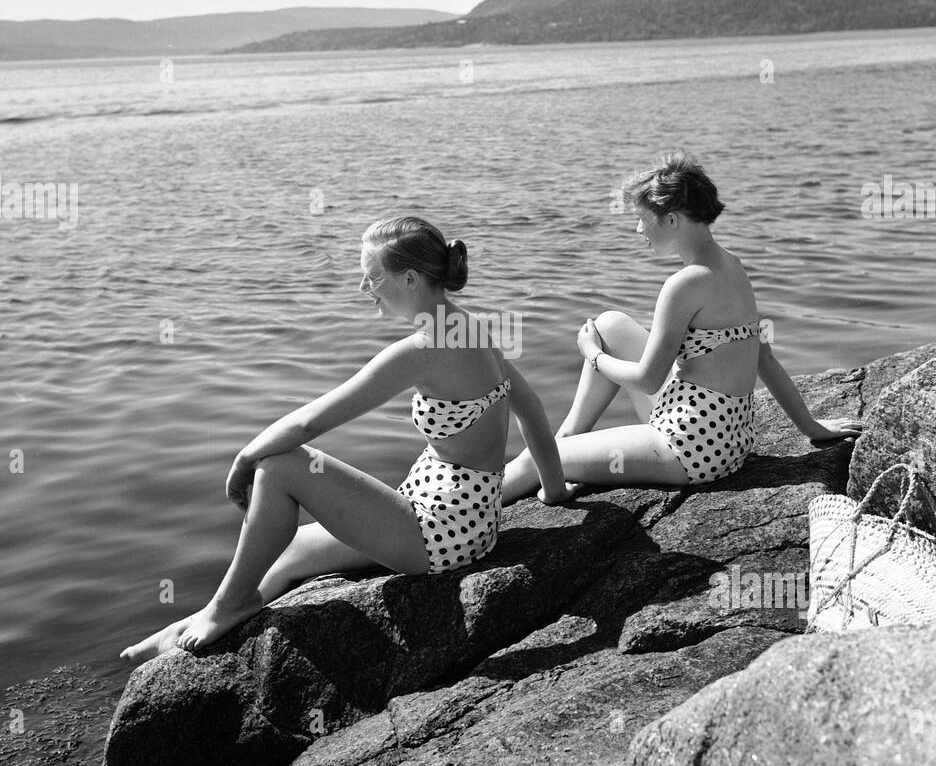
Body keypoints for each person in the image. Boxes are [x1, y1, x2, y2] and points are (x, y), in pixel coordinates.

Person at [121, 216, 571, 663]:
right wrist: (554, 492)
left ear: (410, 278)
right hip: (470, 522)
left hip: (439, 535)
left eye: (372, 276)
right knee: (286, 551)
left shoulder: (422, 349)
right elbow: (530, 408)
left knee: (279, 466)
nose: (363, 287)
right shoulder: (470, 327)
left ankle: (227, 606)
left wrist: (243, 460)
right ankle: (189, 625)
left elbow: (308, 424)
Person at [502, 153, 862, 502]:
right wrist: (811, 427)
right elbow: (764, 358)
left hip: (688, 448)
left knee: (541, 454)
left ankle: (483, 501)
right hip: (727, 435)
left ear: (672, 220)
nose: (637, 228)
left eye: (643, 219)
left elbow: (647, 380)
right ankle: (571, 440)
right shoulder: (732, 266)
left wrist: (593, 355)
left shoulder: (683, 285)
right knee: (609, 325)